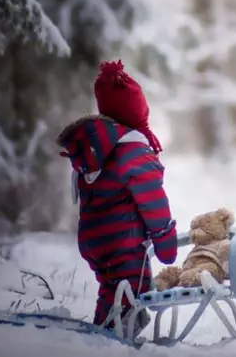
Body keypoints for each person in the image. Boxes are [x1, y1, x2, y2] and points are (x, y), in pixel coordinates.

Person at [57, 59, 177, 333]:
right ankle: (115, 341)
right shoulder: (134, 150)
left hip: (95, 239)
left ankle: (102, 333)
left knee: (113, 287)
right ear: (137, 111)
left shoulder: (97, 149)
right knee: (131, 289)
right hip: (124, 240)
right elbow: (152, 199)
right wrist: (164, 237)